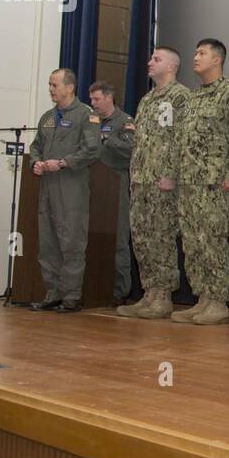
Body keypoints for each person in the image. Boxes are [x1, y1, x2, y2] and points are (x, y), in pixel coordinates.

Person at [174, 38, 229, 325]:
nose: (195, 57)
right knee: (193, 244)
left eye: (202, 53)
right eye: (195, 52)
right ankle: (202, 298)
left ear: (217, 59)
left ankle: (218, 301)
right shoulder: (193, 97)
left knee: (212, 241)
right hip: (190, 183)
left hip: (215, 183)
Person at [117, 47, 191, 320]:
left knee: (161, 236)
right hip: (141, 180)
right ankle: (149, 293)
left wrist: (171, 173)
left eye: (156, 59)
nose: (150, 62)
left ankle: (163, 296)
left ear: (171, 66)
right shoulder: (147, 100)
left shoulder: (180, 97)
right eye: (150, 58)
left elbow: (181, 139)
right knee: (142, 237)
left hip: (163, 181)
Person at [28, 68, 100, 313]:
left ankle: (71, 295)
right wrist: (35, 161)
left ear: (69, 87)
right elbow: (36, 145)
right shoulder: (48, 117)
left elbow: (91, 150)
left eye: (54, 85)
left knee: (71, 240)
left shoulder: (85, 116)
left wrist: (63, 162)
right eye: (49, 84)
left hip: (71, 185)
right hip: (47, 186)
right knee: (48, 241)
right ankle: (53, 293)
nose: (50, 89)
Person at [89, 80, 134, 305]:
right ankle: (94, 286)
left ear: (109, 97)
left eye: (96, 99)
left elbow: (130, 150)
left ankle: (119, 291)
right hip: (92, 186)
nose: (93, 103)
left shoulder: (124, 121)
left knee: (118, 240)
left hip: (116, 184)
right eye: (91, 100)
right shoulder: (90, 121)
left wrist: (107, 139)